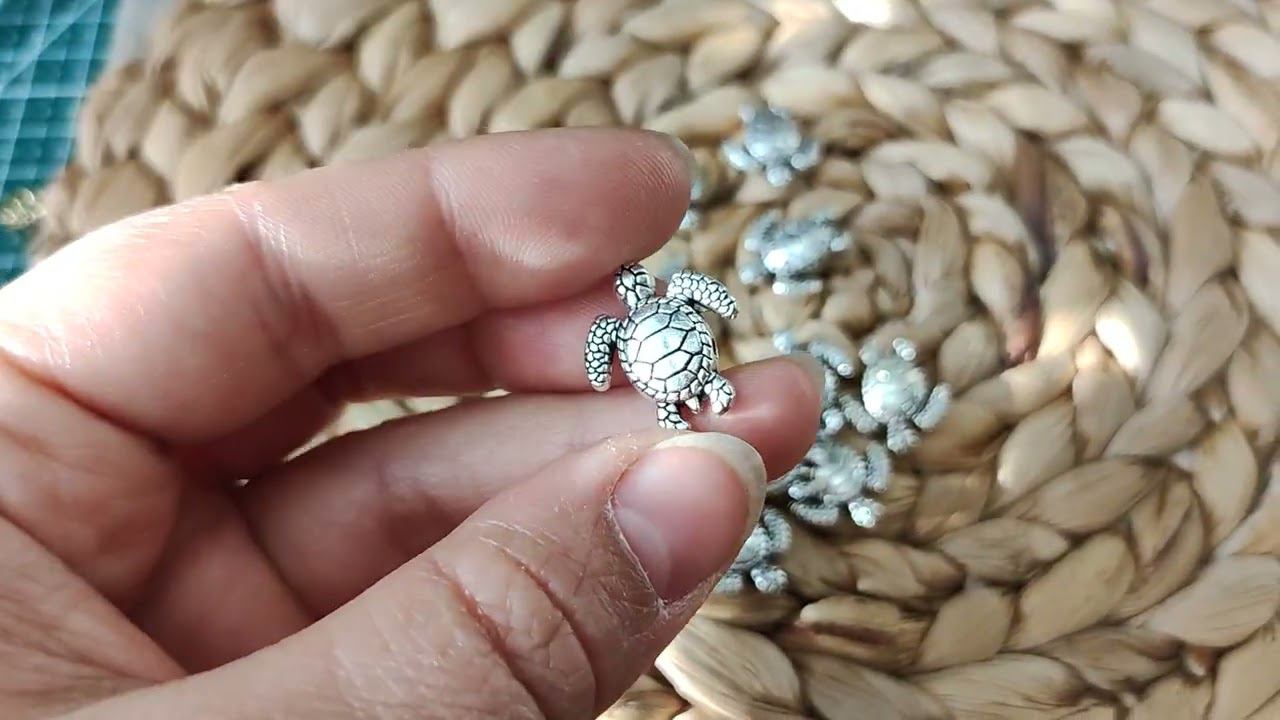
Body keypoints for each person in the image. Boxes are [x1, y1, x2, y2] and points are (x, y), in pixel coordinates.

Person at [0, 129, 821, 718]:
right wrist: (681, 324)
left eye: (636, 286)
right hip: (671, 361)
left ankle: (685, 405)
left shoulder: (624, 321)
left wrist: (629, 352)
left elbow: (630, 331)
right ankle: (690, 404)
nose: (635, 288)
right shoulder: (641, 313)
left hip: (657, 366)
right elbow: (663, 314)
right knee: (695, 405)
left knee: (685, 408)